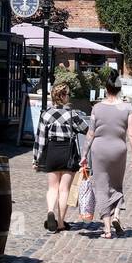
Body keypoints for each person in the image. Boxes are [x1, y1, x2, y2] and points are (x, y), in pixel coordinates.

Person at [81, 72, 132, 238]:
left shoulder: (97, 108)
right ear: (119, 88)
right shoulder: (127, 107)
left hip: (99, 150)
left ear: (106, 88)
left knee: (102, 187)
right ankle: (116, 215)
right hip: (118, 149)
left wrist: (84, 154)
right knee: (117, 184)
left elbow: (90, 133)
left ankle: (107, 229)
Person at [33, 82, 88, 232]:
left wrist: (36, 159)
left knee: (52, 188)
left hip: (52, 151)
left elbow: (40, 139)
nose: (69, 96)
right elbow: (86, 129)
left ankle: (50, 211)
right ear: (63, 96)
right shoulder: (71, 114)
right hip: (67, 153)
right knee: (64, 190)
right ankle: (61, 223)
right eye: (68, 94)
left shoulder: (46, 114)